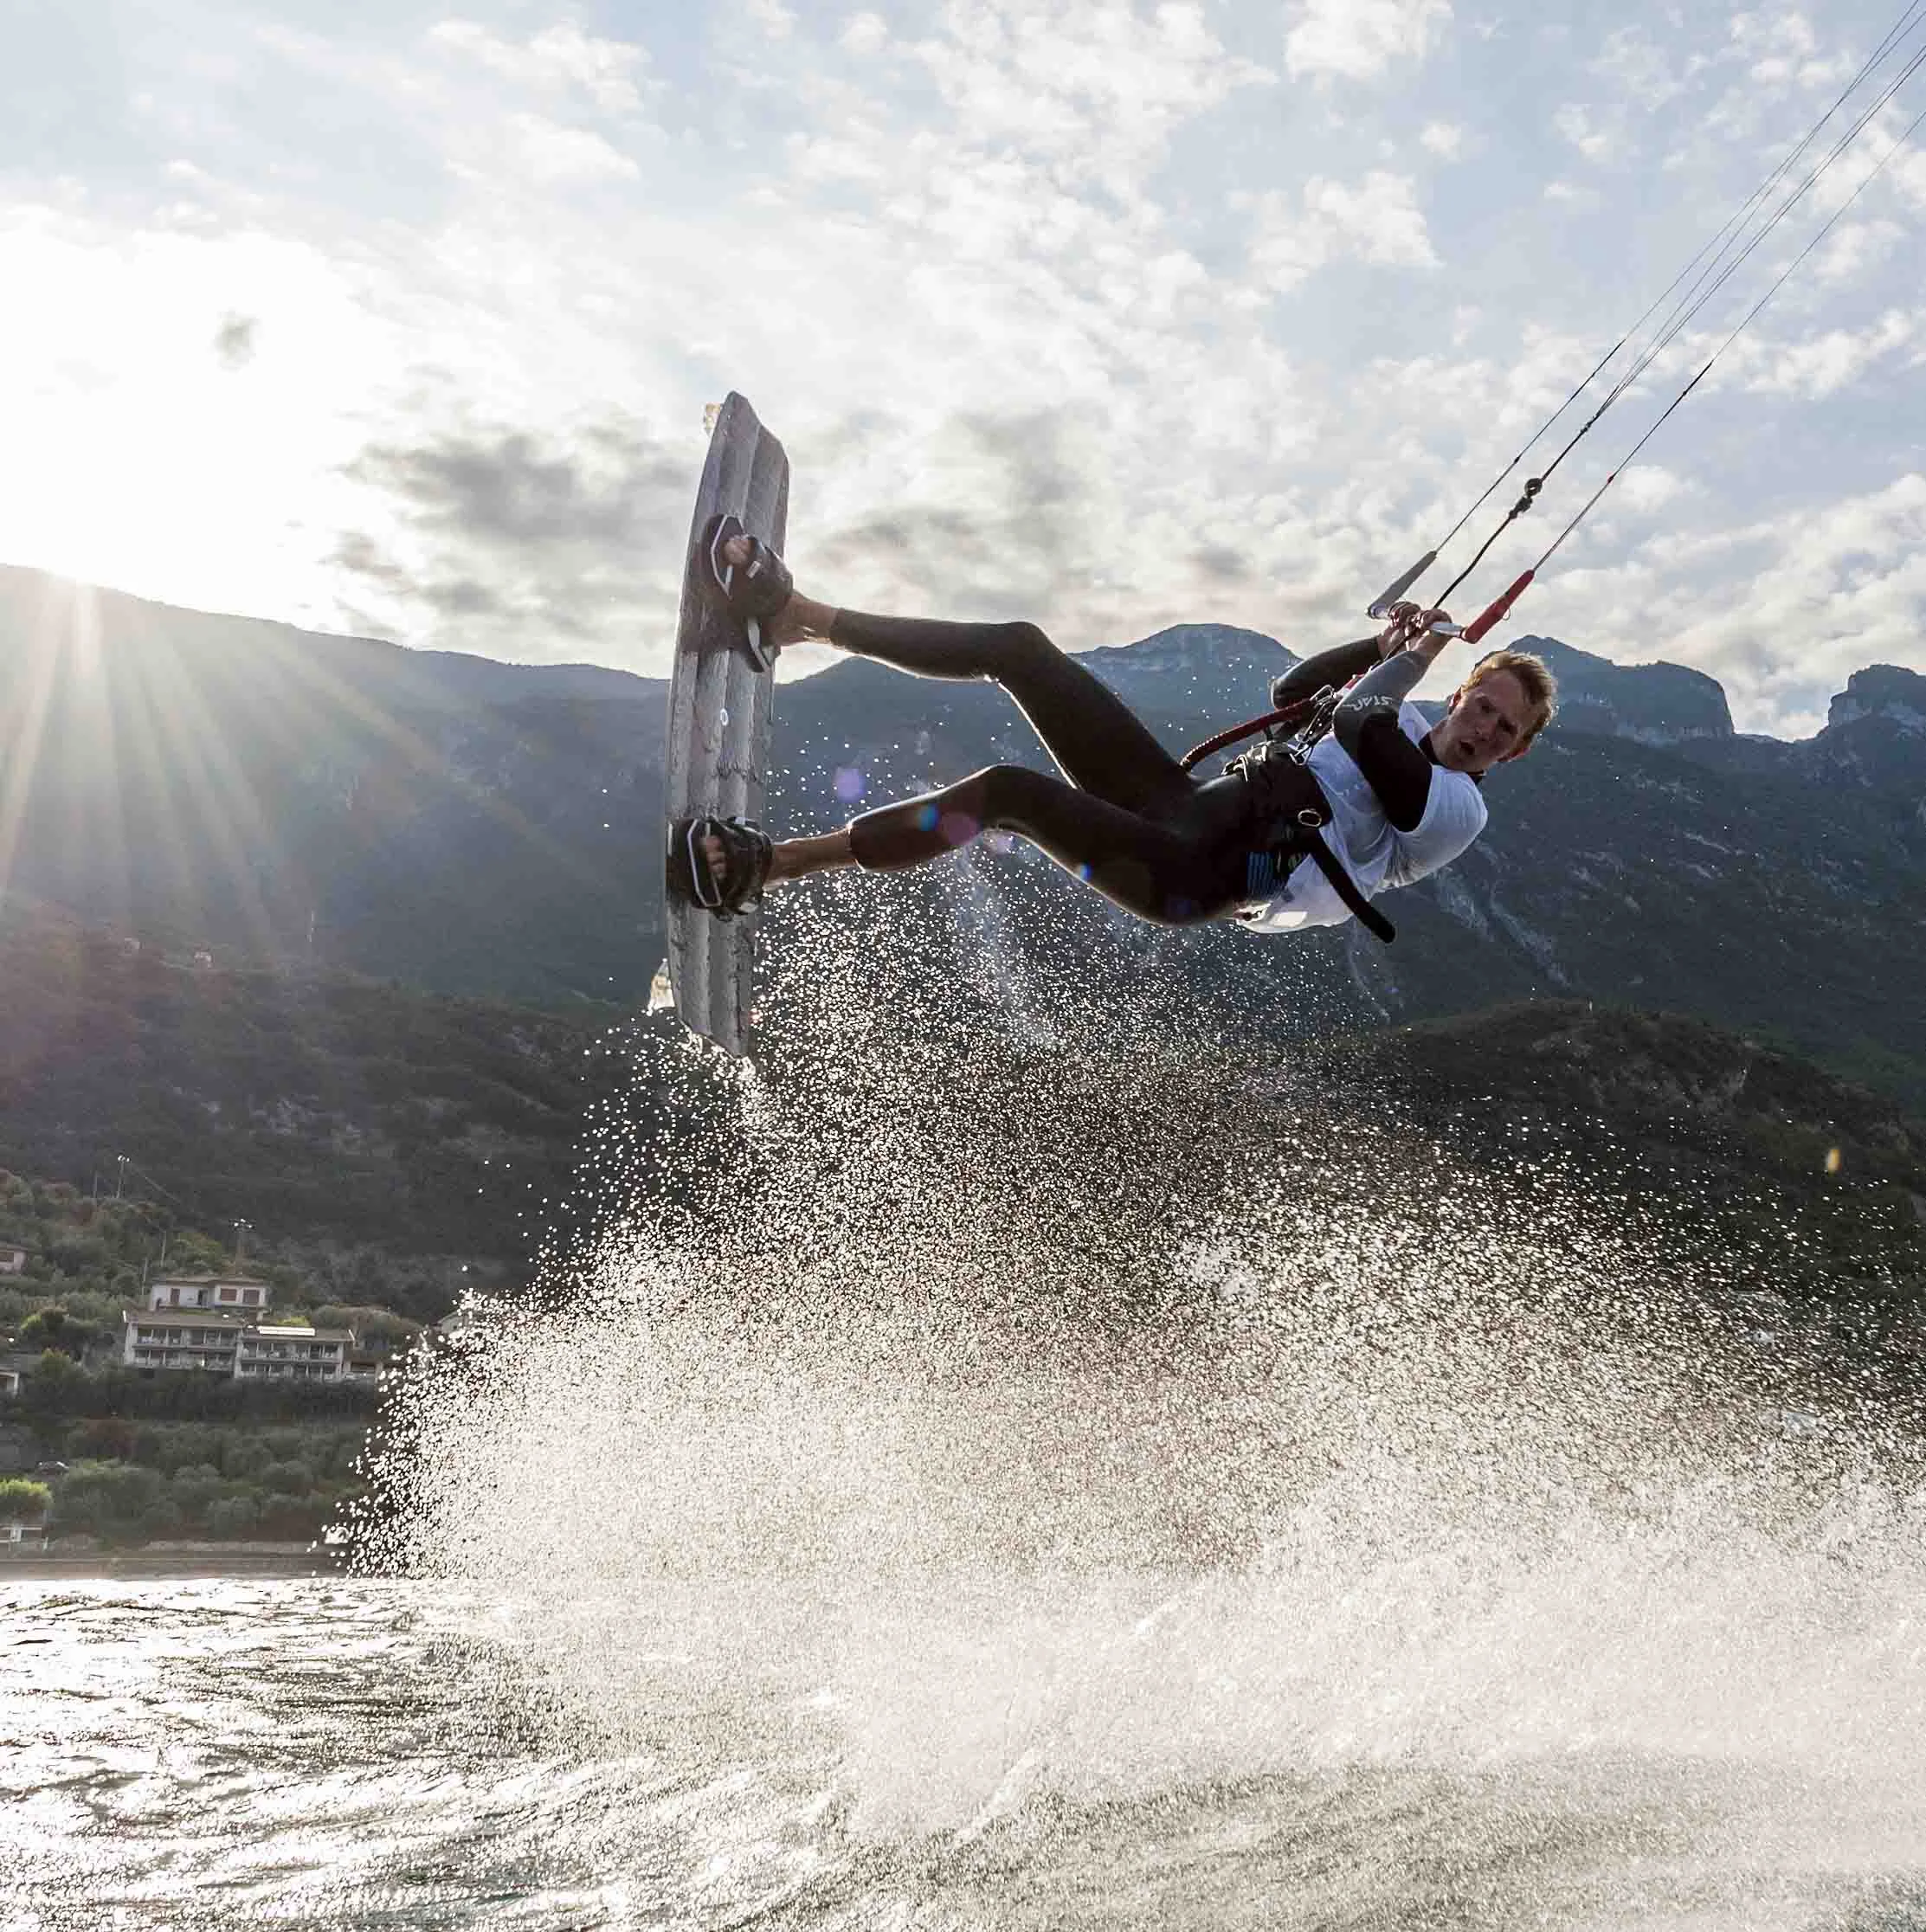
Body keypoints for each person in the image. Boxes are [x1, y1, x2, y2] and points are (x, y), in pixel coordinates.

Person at [667, 530, 1556, 940]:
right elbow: (1294, 692)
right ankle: (797, 616)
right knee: (1020, 648)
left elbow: (1360, 722)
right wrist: (1379, 644)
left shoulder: (1452, 811)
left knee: (1008, 793)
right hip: (1183, 804)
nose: (1484, 731)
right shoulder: (1401, 714)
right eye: (1483, 707)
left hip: (1194, 876)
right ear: (1461, 700)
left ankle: (770, 867)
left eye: (1503, 731)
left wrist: (1410, 654)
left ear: (1513, 755)